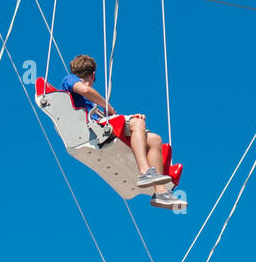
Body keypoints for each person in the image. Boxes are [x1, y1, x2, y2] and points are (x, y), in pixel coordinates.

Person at [62, 54, 184, 210]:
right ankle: (145, 171)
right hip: (91, 128)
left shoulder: (90, 101)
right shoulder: (70, 79)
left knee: (155, 140)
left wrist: (130, 119)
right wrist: (107, 106)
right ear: (93, 75)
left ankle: (160, 192)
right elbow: (85, 90)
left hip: (98, 125)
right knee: (138, 123)